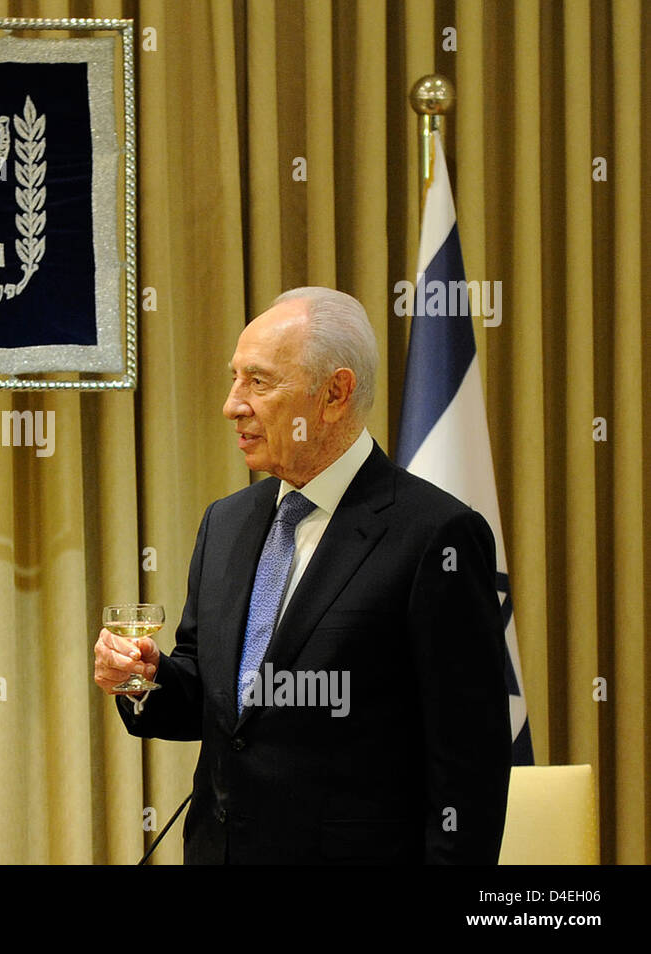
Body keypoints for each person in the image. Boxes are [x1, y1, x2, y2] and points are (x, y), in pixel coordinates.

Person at [94, 287, 511, 864]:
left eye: (259, 382)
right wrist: (143, 677)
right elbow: (213, 706)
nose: (232, 404)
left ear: (335, 393)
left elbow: (469, 762)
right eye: (235, 378)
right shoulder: (227, 522)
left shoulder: (435, 535)